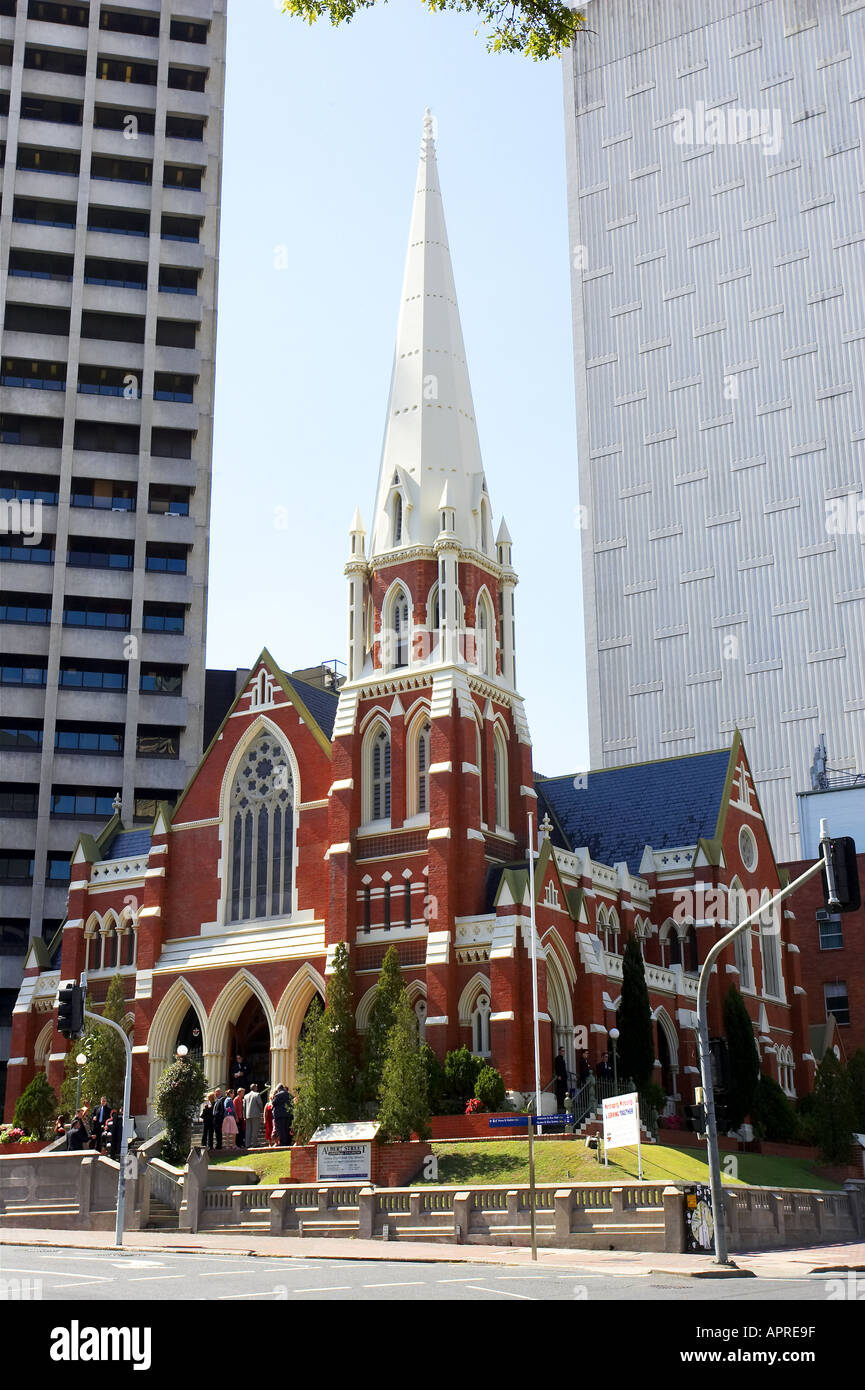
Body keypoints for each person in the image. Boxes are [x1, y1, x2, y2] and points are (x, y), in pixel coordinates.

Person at [243, 1084, 264, 1150]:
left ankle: (247, 1144)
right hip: (255, 1114)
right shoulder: (257, 1094)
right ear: (255, 1088)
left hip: (247, 1114)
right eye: (256, 1087)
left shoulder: (246, 1096)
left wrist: (244, 1115)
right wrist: (261, 1110)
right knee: (255, 1129)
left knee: (248, 1130)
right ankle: (254, 1143)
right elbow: (260, 1103)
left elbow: (244, 1107)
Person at [553, 1047, 568, 1112]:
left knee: (564, 1091)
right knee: (560, 1091)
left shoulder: (562, 1059)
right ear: (559, 1051)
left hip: (564, 1078)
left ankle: (564, 1104)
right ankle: (560, 1104)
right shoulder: (557, 1058)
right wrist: (558, 1075)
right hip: (560, 1078)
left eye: (564, 1051)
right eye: (562, 1051)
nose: (563, 1052)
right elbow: (557, 1068)